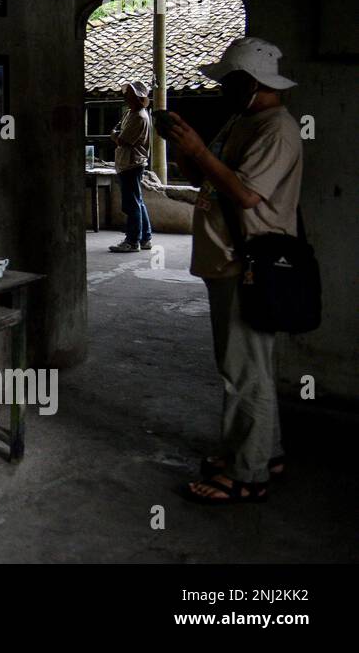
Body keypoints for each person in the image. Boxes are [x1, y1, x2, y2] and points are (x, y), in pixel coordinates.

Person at [159, 37, 302, 505]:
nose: (223, 89)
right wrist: (184, 147)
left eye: (231, 81)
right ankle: (265, 453)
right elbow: (207, 177)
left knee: (244, 371)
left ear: (252, 82)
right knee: (247, 365)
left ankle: (247, 474)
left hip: (249, 263)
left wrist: (200, 151)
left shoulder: (278, 129)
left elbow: (244, 194)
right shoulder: (244, 120)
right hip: (226, 259)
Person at [108, 81, 153, 252]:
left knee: (132, 204)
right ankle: (145, 238)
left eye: (130, 95)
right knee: (137, 201)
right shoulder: (130, 113)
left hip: (131, 164)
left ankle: (133, 241)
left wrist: (114, 135)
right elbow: (119, 131)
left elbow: (122, 139)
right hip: (128, 163)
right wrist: (116, 133)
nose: (126, 97)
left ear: (139, 99)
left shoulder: (139, 117)